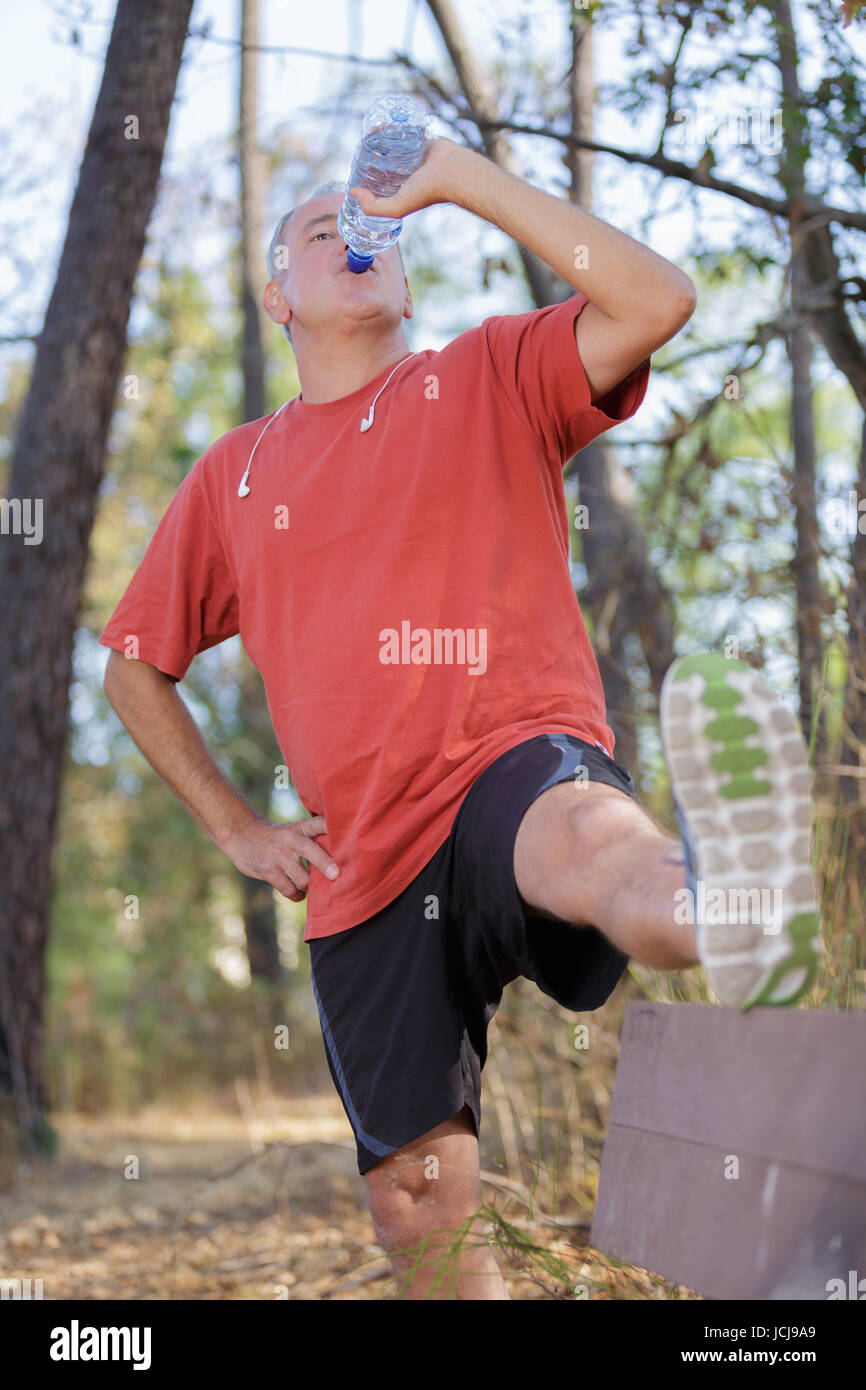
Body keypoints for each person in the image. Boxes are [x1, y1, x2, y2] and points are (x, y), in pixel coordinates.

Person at [100, 135, 822, 1300]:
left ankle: (739, 908)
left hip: (508, 760)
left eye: (367, 224)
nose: (350, 234)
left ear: (404, 270)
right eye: (314, 231)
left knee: (592, 843)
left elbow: (659, 298)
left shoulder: (487, 373)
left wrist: (460, 179)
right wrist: (238, 829)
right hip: (360, 863)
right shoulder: (233, 476)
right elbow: (135, 665)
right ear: (276, 298)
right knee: (415, 1200)